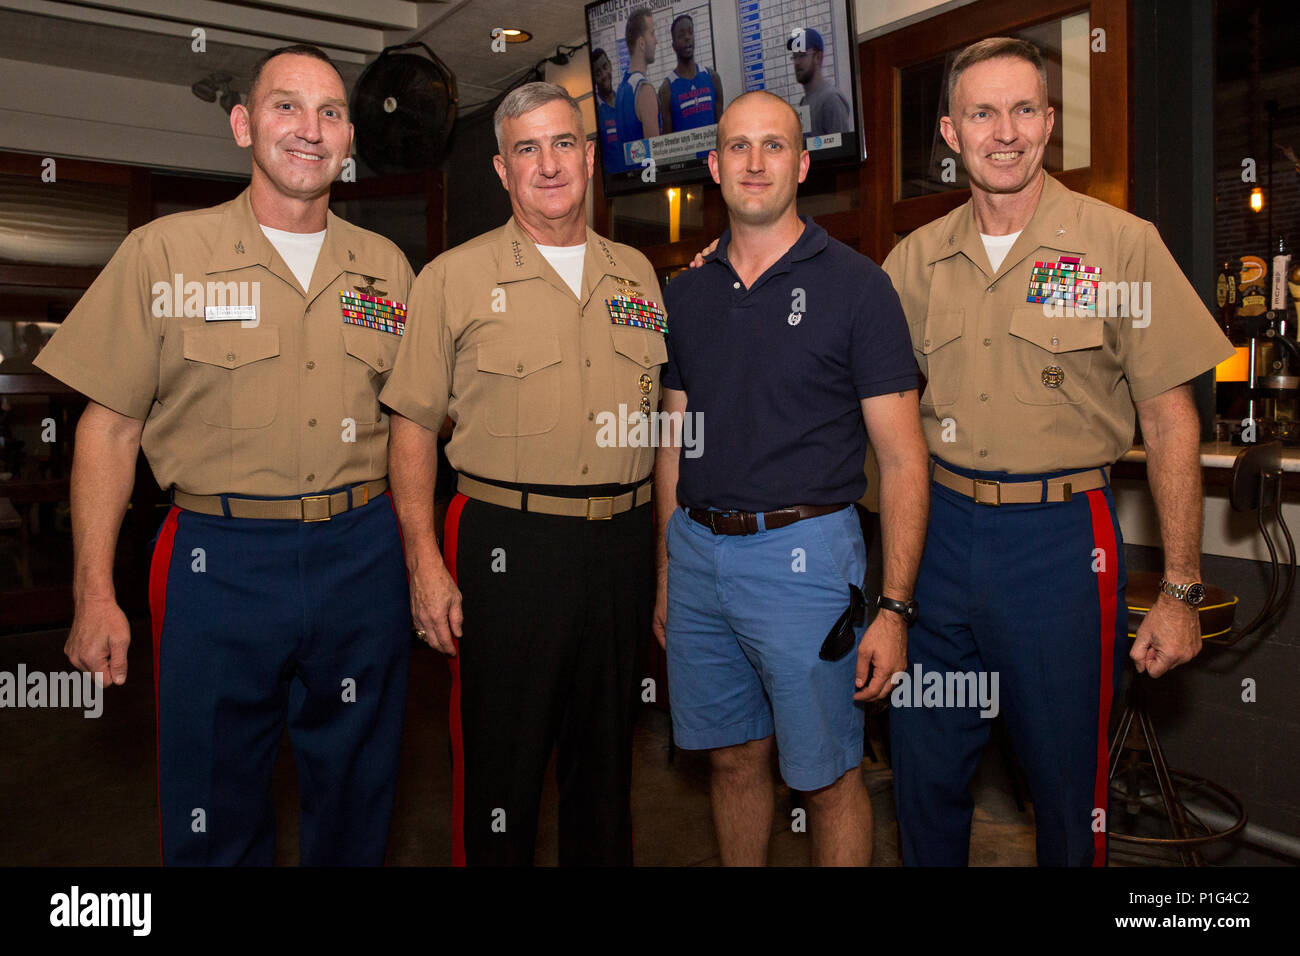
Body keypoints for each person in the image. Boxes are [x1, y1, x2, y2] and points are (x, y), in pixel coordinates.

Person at [34, 44, 416, 865]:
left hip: (361, 554)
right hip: (220, 559)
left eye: (330, 112)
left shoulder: (386, 269)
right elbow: (109, 428)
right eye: (287, 106)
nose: (309, 131)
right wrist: (94, 592)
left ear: (349, 137)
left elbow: (420, 423)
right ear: (244, 124)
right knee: (214, 798)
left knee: (358, 793)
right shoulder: (163, 255)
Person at [880, 37, 1235, 866]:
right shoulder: (914, 262)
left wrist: (1181, 586)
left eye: (1023, 109)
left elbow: (1171, 418)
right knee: (924, 780)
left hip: (1063, 548)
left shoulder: (1120, 245)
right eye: (982, 113)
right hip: (935, 541)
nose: (1004, 131)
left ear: (1048, 122)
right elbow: (862, 394)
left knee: (1069, 796)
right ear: (950, 132)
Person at [380, 82, 665, 867]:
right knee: (500, 771)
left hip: (621, 548)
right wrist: (423, 565)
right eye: (527, 149)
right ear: (503, 170)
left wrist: (667, 568)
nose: (549, 163)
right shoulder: (451, 278)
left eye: (563, 142)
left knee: (607, 771)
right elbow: (409, 427)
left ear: (588, 155)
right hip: (506, 543)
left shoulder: (640, 274)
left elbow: (668, 419)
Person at [657, 91, 930, 866]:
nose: (754, 162)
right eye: (737, 147)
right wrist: (666, 574)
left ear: (803, 164)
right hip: (699, 554)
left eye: (773, 146)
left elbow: (907, 458)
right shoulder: (686, 292)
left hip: (807, 559)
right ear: (713, 167)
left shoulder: (858, 286)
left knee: (827, 778)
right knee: (732, 758)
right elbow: (672, 442)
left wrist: (896, 608)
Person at [658, 14, 723, 138]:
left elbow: (721, 130)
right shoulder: (666, 90)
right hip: (686, 157)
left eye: (690, 32)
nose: (687, 38)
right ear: (674, 45)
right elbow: (667, 142)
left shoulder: (713, 78)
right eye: (681, 35)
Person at [788, 27, 851, 137]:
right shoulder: (804, 102)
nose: (797, 62)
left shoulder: (831, 99)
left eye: (802, 55)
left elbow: (843, 150)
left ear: (817, 57)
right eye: (795, 56)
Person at [615, 7, 661, 149]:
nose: (656, 41)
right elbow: (656, 154)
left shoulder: (621, 89)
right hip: (647, 171)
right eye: (652, 34)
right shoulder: (645, 90)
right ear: (641, 43)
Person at [590, 48, 623, 173]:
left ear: (610, 65)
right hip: (615, 183)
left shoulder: (626, 102)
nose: (604, 75)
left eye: (605, 67)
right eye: (598, 73)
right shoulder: (596, 114)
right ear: (593, 79)